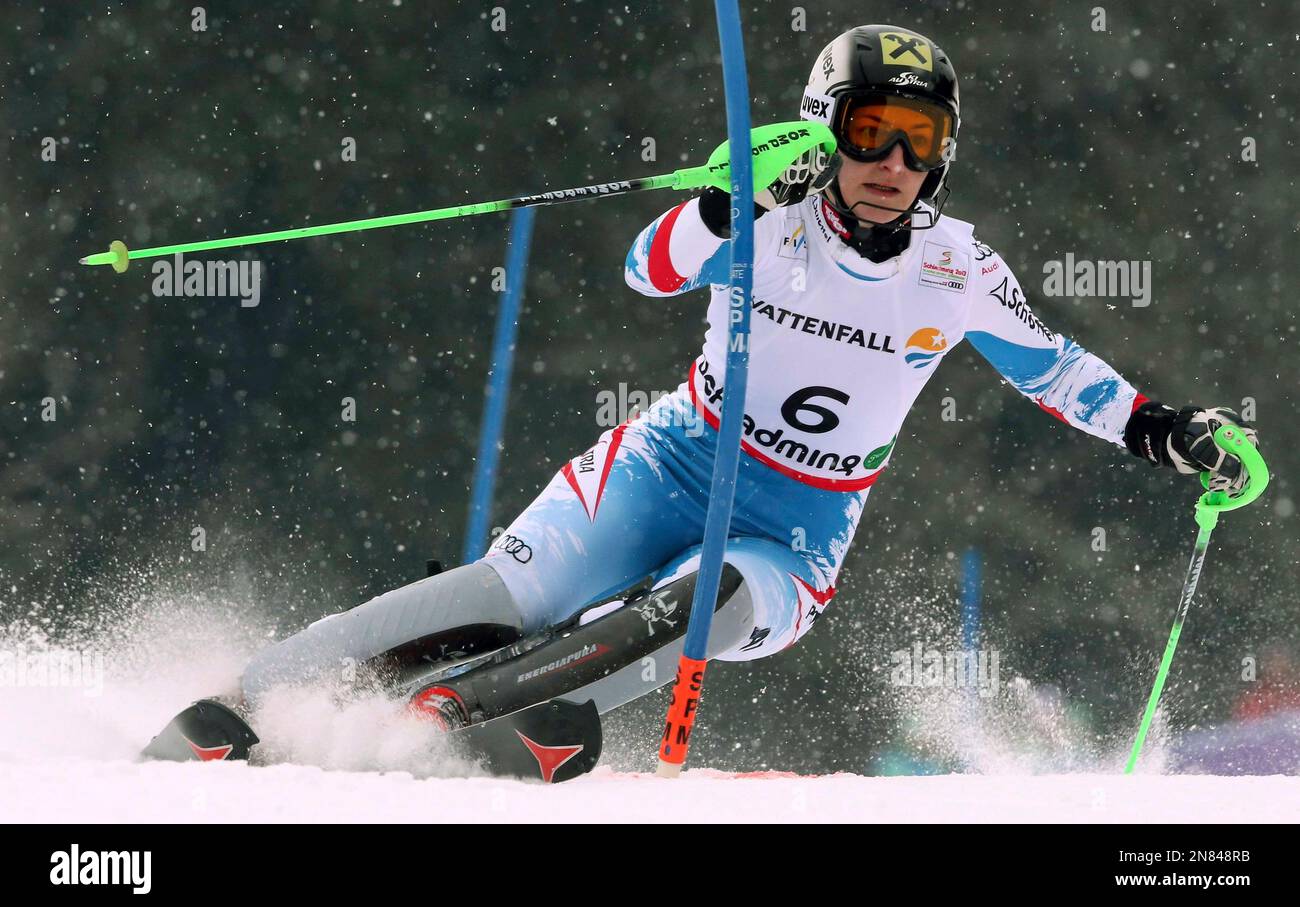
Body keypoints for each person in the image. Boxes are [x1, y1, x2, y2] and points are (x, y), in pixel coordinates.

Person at [238, 24, 1262, 729]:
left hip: (798, 525)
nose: (894, 162)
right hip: (671, 461)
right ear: (825, 127)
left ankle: (479, 722)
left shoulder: (957, 268)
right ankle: (262, 695)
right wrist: (725, 201)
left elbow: (1055, 370)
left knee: (709, 596)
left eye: (922, 141)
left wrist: (1165, 430)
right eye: (871, 130)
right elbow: (648, 270)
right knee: (518, 591)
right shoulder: (766, 215)